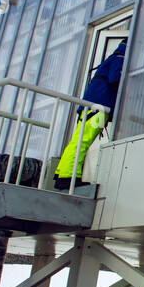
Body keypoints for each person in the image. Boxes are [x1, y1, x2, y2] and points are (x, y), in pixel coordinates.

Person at [53, 41, 125, 189]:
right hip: (99, 107)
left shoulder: (112, 58)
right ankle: (68, 177)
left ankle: (61, 173)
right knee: (83, 140)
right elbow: (115, 80)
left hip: (91, 106)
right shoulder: (120, 58)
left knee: (78, 139)